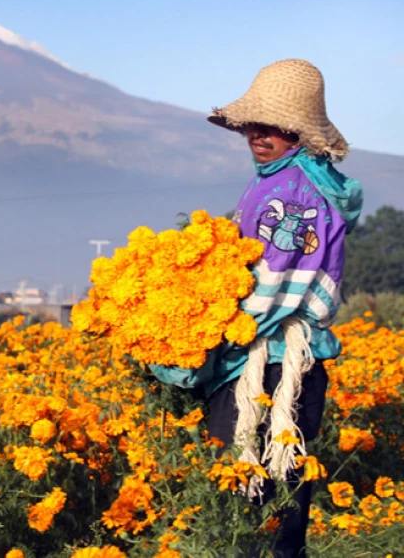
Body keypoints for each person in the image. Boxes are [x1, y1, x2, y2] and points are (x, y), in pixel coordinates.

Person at [152, 58, 363, 557]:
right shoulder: (278, 180)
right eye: (254, 121)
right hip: (273, 363)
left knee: (254, 512)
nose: (258, 133)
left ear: (301, 134)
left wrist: (198, 347)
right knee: (274, 508)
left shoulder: (290, 194)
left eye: (277, 125)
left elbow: (268, 295)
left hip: (267, 368)